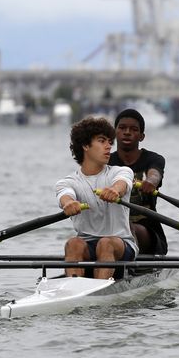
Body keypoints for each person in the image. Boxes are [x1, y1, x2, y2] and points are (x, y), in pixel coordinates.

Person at [54, 116, 137, 279]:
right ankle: (73, 288)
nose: (109, 147)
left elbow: (122, 184)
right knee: (73, 244)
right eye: (102, 141)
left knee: (105, 243)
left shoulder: (121, 172)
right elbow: (65, 196)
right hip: (86, 246)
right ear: (85, 145)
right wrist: (69, 204)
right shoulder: (66, 182)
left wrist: (114, 190)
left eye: (109, 142)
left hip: (121, 246)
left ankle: (99, 295)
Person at [108, 108, 169, 256]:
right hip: (110, 229)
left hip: (148, 231)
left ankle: (130, 267)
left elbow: (155, 173)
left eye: (133, 129)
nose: (127, 132)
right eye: (122, 128)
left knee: (128, 227)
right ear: (115, 133)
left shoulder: (153, 159)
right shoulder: (106, 162)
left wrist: (150, 181)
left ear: (141, 136)